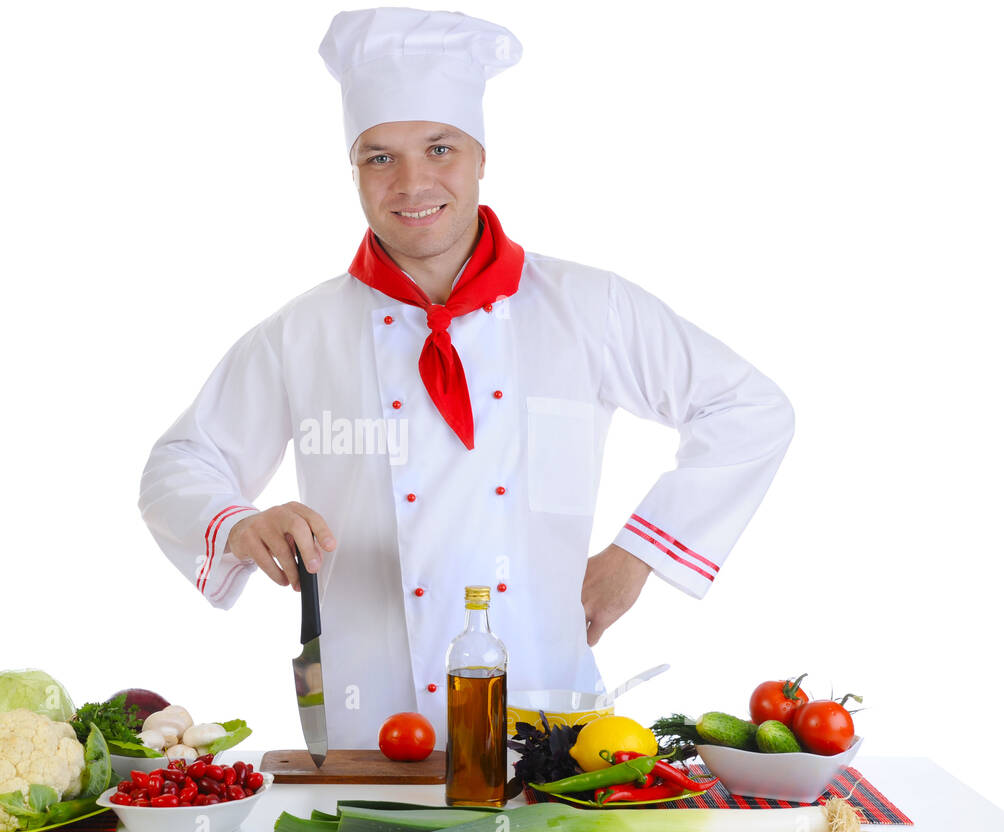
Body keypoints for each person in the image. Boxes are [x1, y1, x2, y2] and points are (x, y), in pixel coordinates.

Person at [138, 8, 794, 749]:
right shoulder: (302, 331)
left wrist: (637, 554)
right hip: (373, 720)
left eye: (439, 148)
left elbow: (750, 407)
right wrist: (239, 523)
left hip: (543, 710)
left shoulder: (589, 307)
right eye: (379, 157)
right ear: (353, 173)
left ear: (482, 157)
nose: (412, 182)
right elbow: (178, 466)